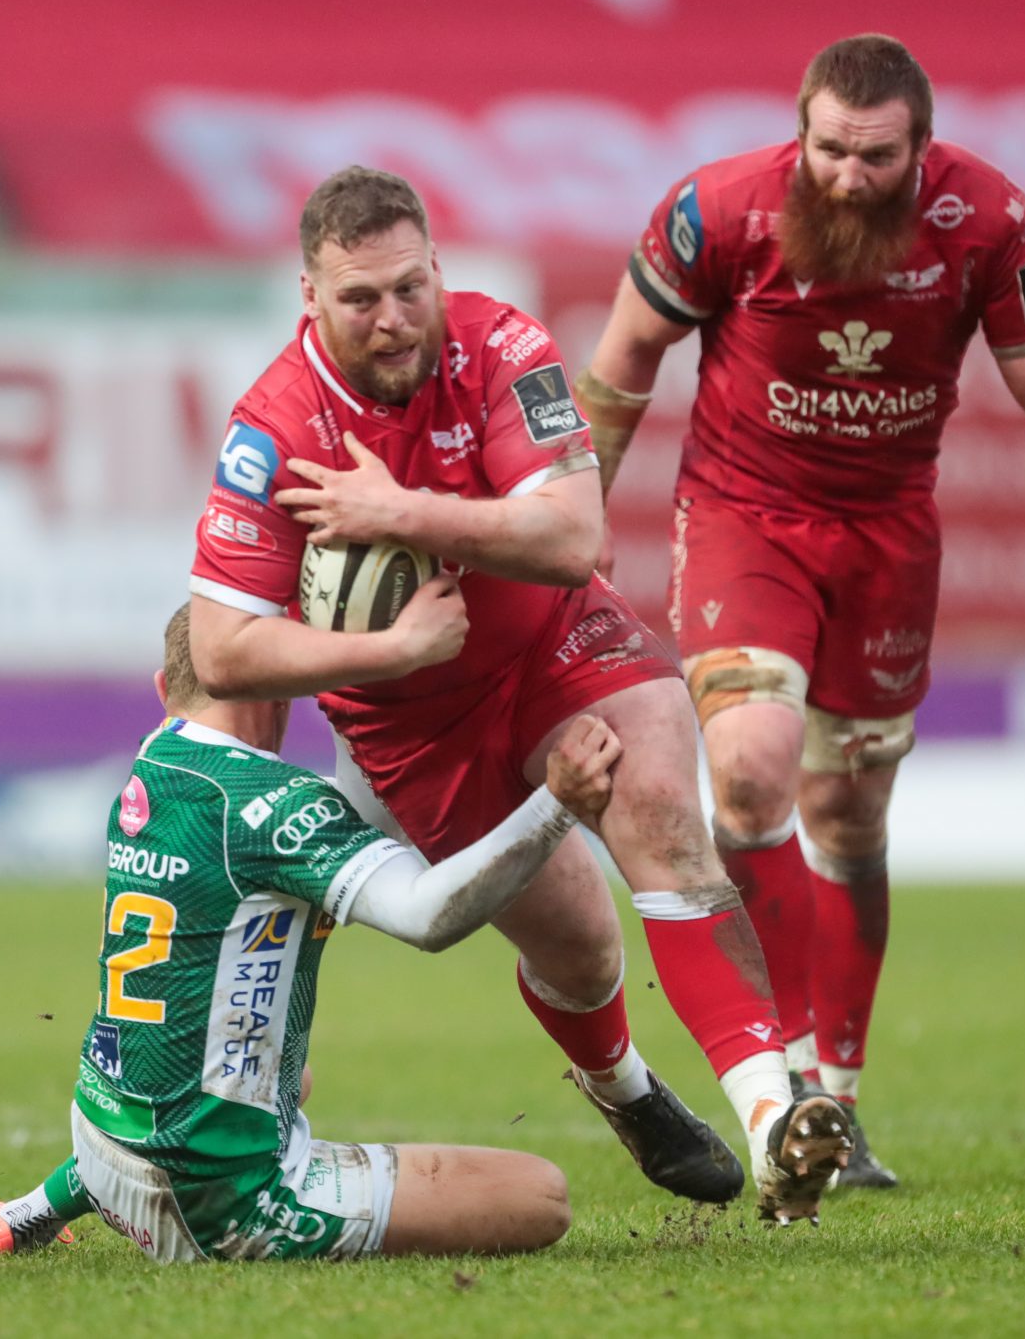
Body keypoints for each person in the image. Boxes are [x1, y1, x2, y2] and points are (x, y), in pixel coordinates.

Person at [184, 167, 850, 1225]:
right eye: (359, 300)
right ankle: (622, 1089)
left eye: (409, 288)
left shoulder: (501, 348)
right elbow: (221, 650)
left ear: (437, 269)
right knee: (580, 946)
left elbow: (570, 536)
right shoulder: (271, 430)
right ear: (310, 297)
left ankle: (775, 1117)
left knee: (666, 819)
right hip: (412, 726)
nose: (392, 320)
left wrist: (403, 513)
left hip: (557, 645)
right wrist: (392, 649)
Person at [578, 34, 1025, 1187]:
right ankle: (781, 1082)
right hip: (744, 517)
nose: (846, 175)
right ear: (801, 130)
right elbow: (621, 359)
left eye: (874, 157)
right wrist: (574, 533)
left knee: (850, 814)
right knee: (755, 770)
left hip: (886, 536)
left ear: (920, 150)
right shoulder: (717, 208)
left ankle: (840, 1089)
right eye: (828, 148)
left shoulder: (990, 224)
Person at [0, 605, 618, 1262]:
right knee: (541, 1196)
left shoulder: (156, 761)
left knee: (281, 1076)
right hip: (213, 1200)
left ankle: (30, 1211)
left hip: (103, 1141)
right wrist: (556, 804)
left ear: (166, 686)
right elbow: (426, 914)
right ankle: (210, 1201)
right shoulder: (272, 804)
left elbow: (344, 823)